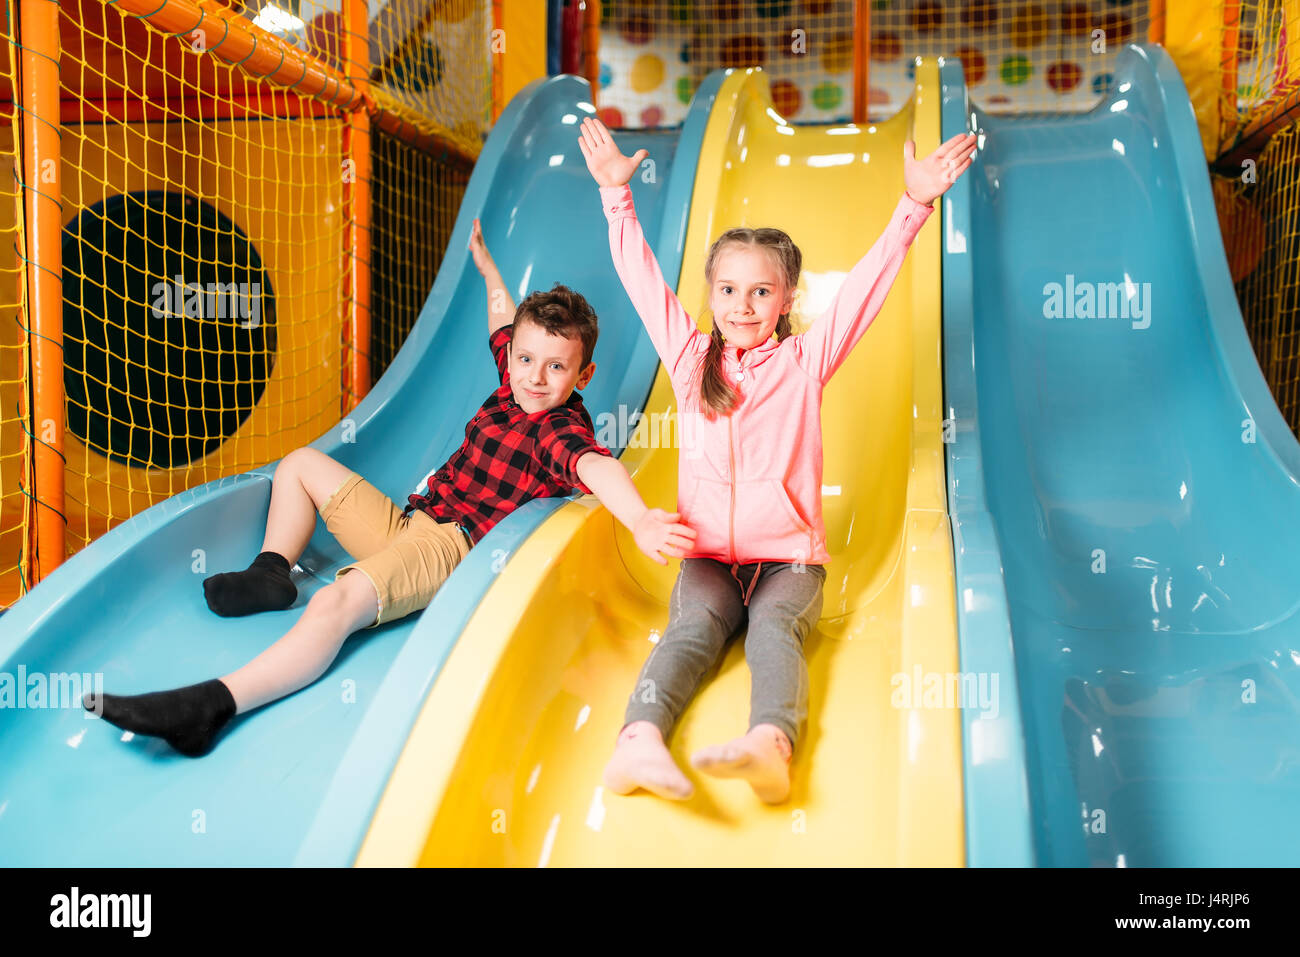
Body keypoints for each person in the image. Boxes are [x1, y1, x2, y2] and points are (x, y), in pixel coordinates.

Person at [83, 218, 696, 756]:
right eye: (525, 359)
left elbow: (595, 467)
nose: (535, 376)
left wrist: (641, 518)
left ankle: (211, 707)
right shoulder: (518, 371)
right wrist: (486, 268)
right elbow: (503, 319)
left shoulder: (558, 427)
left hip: (450, 548)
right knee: (298, 465)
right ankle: (272, 572)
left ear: (583, 374)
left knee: (336, 603)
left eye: (556, 367)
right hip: (411, 522)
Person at [579, 116, 975, 803]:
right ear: (709, 294)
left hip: (789, 559)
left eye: (761, 291)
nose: (743, 304)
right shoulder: (688, 355)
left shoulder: (804, 360)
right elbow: (641, 278)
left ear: (787, 298)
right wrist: (617, 197)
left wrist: (913, 206)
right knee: (689, 631)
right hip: (707, 555)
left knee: (773, 630)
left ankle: (770, 743)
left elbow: (867, 288)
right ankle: (637, 740)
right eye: (728, 290)